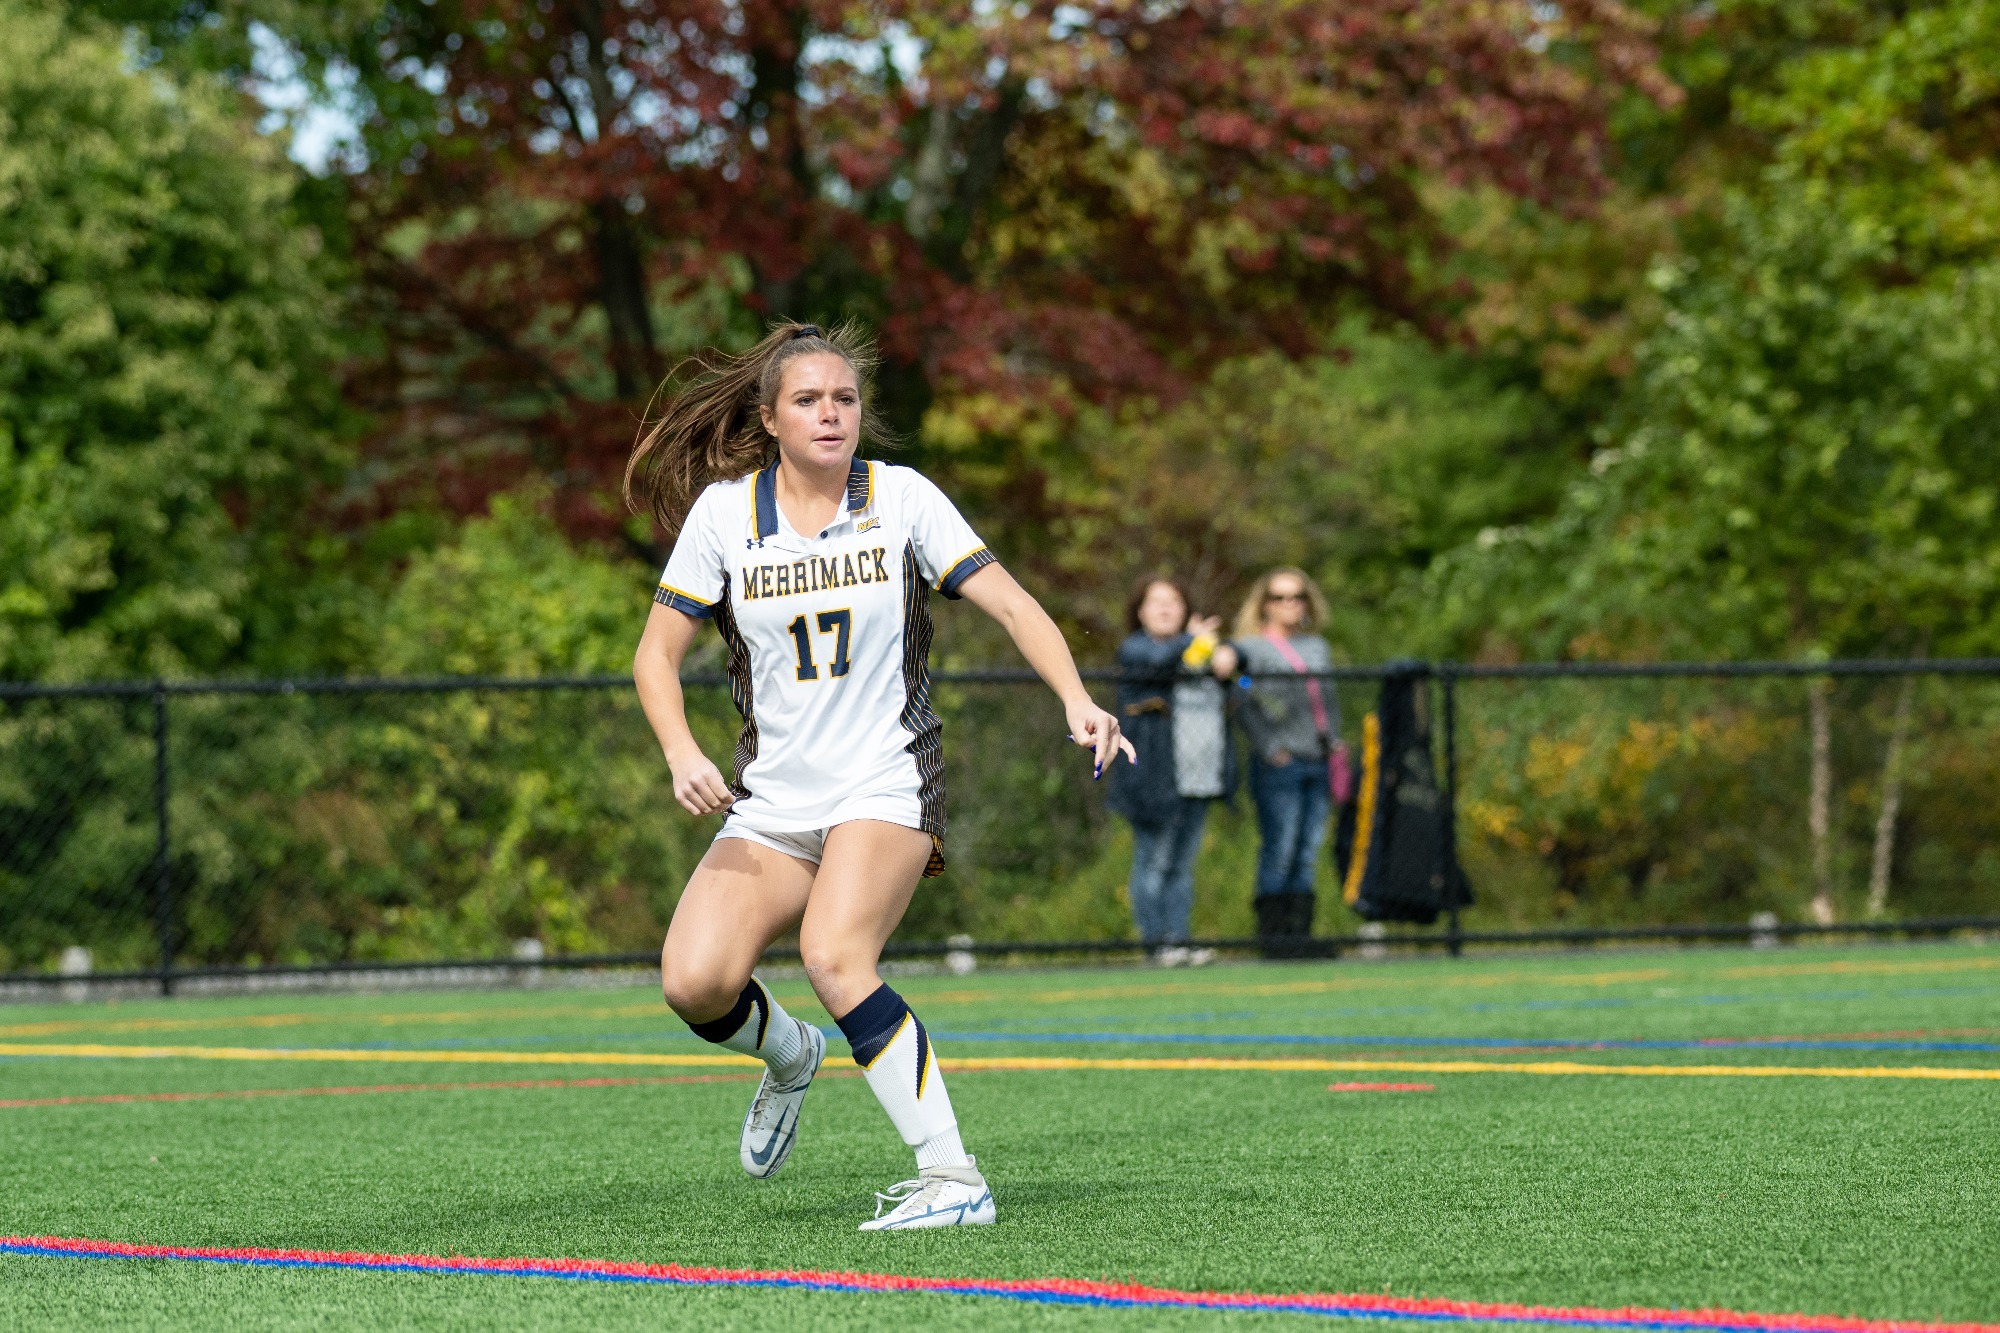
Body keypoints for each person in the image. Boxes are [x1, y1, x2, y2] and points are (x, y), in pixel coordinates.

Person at [626, 321, 1131, 1232]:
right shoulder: (724, 517)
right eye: (809, 400)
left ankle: (953, 1177)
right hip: (778, 797)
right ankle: (789, 1054)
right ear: (771, 418)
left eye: (845, 398)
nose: (831, 413)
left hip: (886, 778)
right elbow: (654, 658)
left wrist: (1077, 697)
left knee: (834, 955)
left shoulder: (901, 498)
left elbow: (1013, 602)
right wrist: (682, 752)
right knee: (694, 981)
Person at [1105, 576, 1237, 965]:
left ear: (1185, 609)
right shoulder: (1136, 650)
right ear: (1140, 611)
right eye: (1155, 601)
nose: (1165, 608)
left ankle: (1179, 941)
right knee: (1155, 862)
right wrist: (1193, 641)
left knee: (1182, 866)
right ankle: (1155, 944)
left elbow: (1236, 680)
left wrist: (1230, 658)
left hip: (1199, 776)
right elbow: (1160, 664)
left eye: (1174, 600)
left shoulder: (1196, 653)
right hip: (1153, 779)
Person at [1231, 567, 1338, 956]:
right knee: (1282, 845)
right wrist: (1269, 745)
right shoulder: (1253, 648)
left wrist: (1335, 741)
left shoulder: (1317, 648)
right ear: (1264, 605)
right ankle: (1274, 938)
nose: (1289, 604)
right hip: (1280, 762)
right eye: (1279, 597)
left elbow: (1327, 702)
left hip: (1319, 756)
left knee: (1309, 848)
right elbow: (1241, 694)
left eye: (1297, 596)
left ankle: (1301, 936)